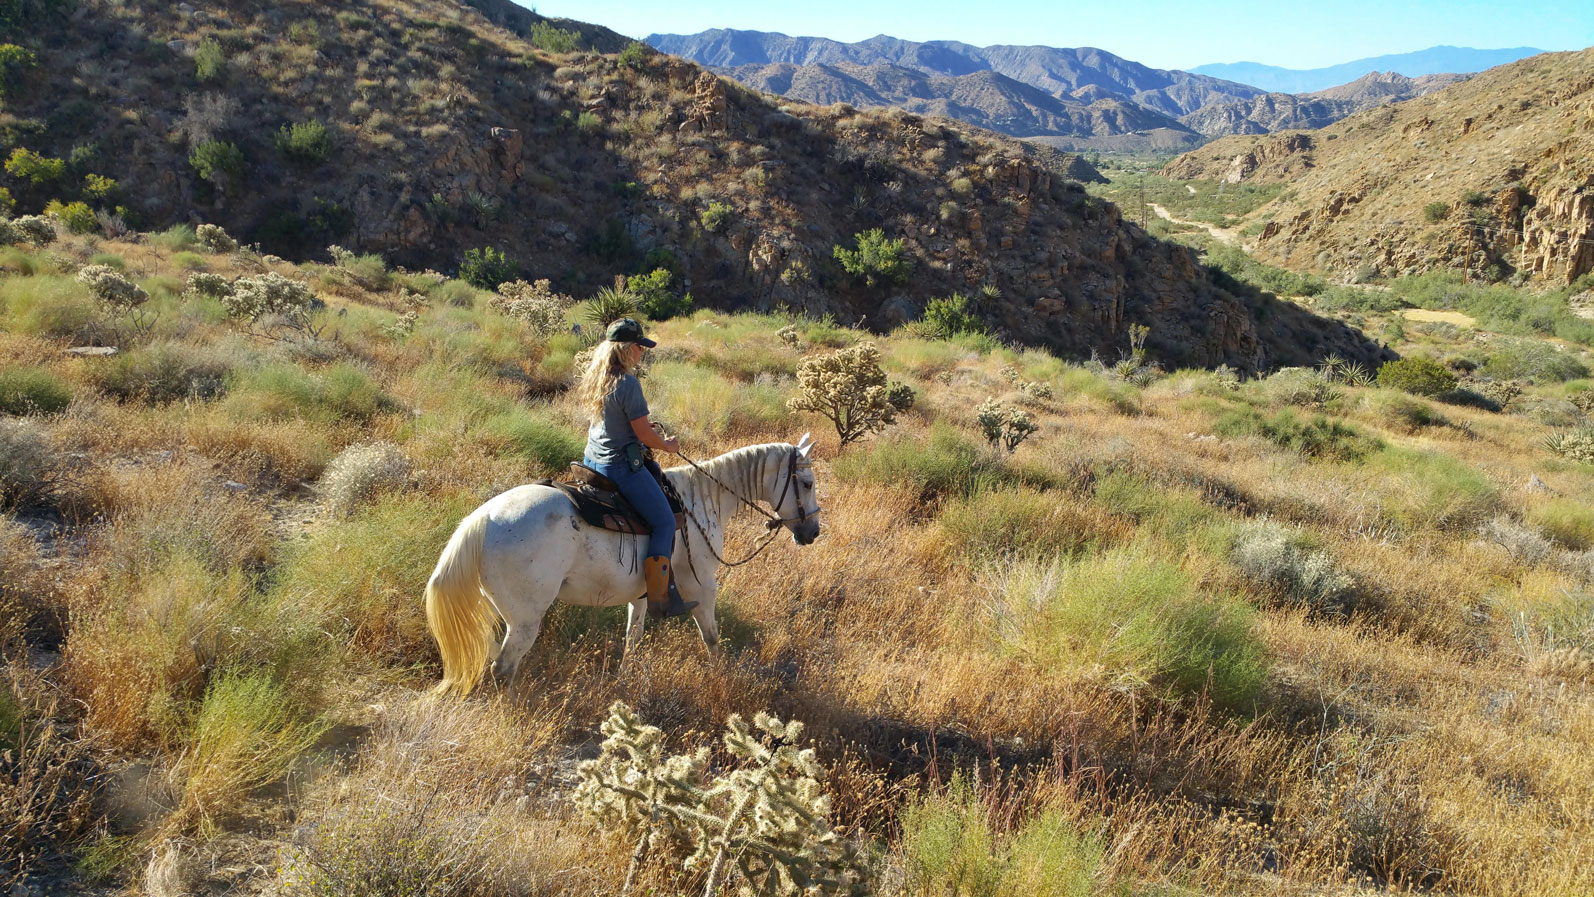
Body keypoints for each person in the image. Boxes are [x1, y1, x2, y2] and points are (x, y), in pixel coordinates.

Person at [576, 318, 695, 619]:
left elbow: (618, 424)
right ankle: (659, 598)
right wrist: (666, 445)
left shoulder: (598, 376)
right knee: (666, 522)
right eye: (640, 346)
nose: (643, 352)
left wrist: (640, 429)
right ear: (628, 349)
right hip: (618, 466)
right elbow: (643, 436)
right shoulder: (628, 383)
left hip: (592, 461)